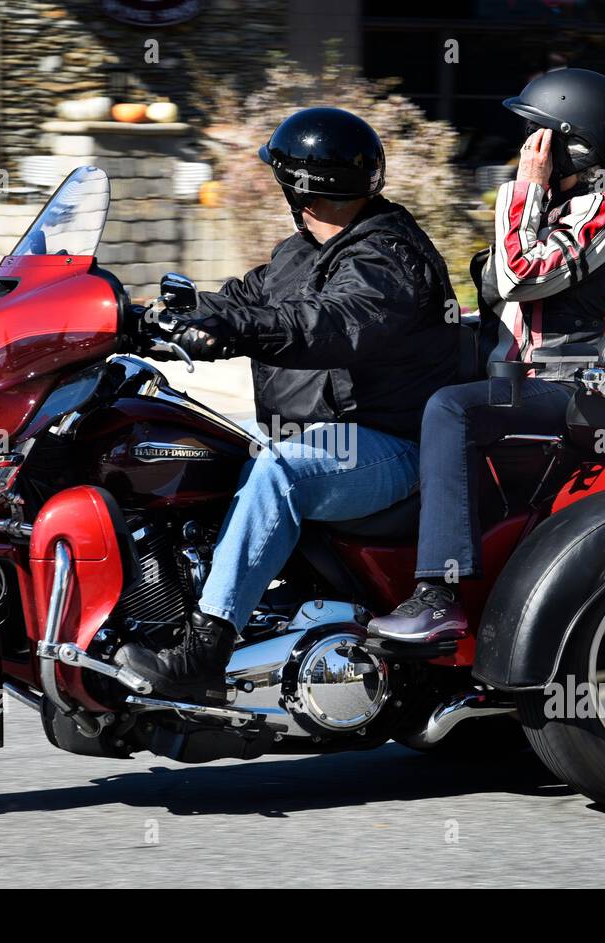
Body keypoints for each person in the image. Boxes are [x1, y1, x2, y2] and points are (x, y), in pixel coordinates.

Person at [117, 106, 460, 701]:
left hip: (389, 446)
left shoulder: (389, 255)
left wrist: (238, 331)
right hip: (318, 436)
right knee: (187, 447)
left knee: (277, 473)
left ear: (298, 186)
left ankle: (206, 647)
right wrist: (139, 318)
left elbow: (331, 323)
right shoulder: (298, 252)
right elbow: (235, 300)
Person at [367, 68, 605, 643]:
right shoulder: (544, 211)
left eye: (538, 137)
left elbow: (522, 275)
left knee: (452, 410)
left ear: (573, 146)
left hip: (572, 384)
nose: (525, 148)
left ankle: (440, 595)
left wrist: (524, 186)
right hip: (516, 375)